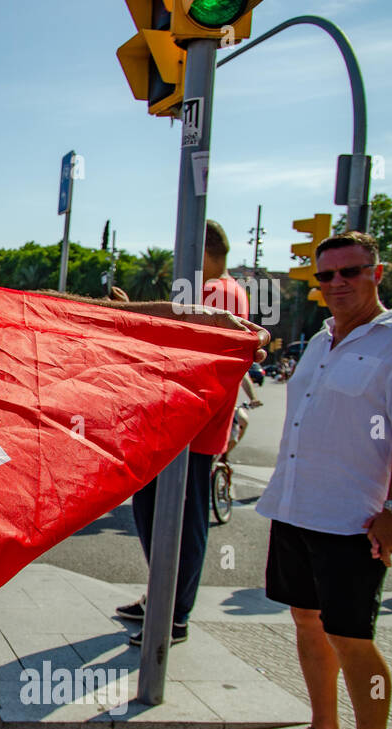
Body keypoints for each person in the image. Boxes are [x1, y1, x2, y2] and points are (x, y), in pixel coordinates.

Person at [256, 231, 392, 729]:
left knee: (353, 639)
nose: (335, 284)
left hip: (354, 522)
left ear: (377, 274)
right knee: (308, 620)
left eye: (349, 272)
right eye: (324, 276)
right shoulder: (320, 340)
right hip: (298, 508)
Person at [115, 221, 252, 645]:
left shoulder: (218, 293)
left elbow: (175, 345)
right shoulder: (220, 291)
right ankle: (162, 598)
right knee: (155, 512)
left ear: (200, 250)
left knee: (179, 521)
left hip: (191, 428)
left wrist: (129, 312)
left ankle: (173, 614)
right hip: (180, 426)